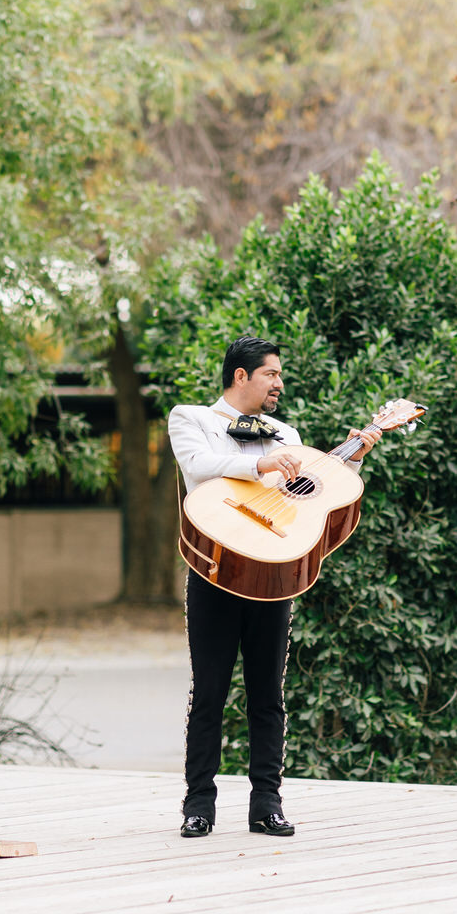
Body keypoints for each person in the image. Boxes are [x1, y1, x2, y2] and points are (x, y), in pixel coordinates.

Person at [167, 336, 380, 838]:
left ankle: (267, 802)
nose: (279, 384)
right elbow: (198, 466)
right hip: (215, 572)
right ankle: (198, 804)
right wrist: (257, 464)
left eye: (279, 375)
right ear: (241, 377)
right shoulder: (191, 417)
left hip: (272, 573)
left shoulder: (286, 433)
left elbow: (306, 494)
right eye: (272, 374)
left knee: (268, 693)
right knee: (210, 692)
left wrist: (351, 460)